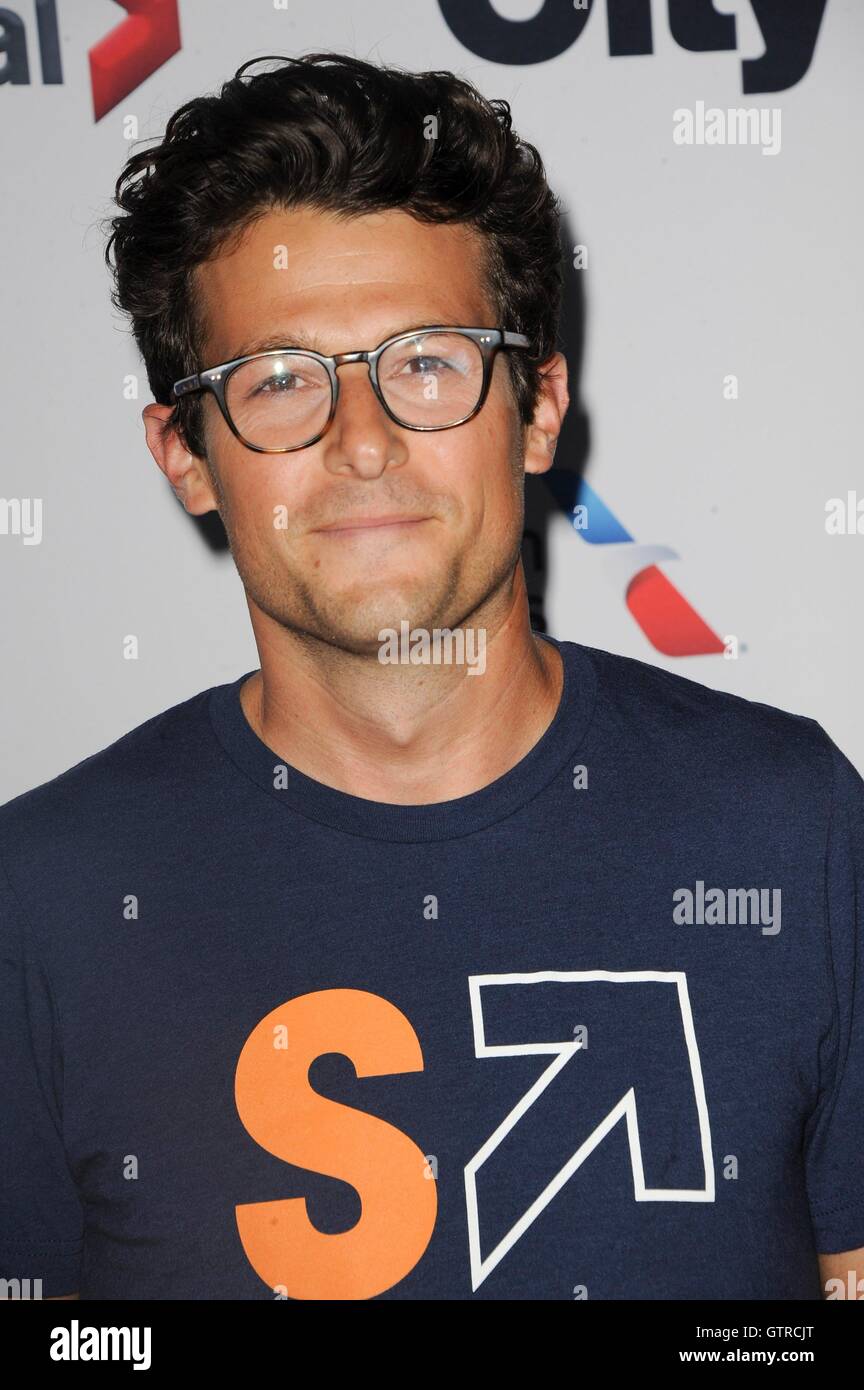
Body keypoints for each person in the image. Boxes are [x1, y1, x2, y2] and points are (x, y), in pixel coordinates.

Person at [1, 52, 862, 1302]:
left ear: (539, 407)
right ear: (185, 454)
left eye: (426, 362)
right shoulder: (41, 905)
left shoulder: (795, 831)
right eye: (281, 378)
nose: (361, 443)